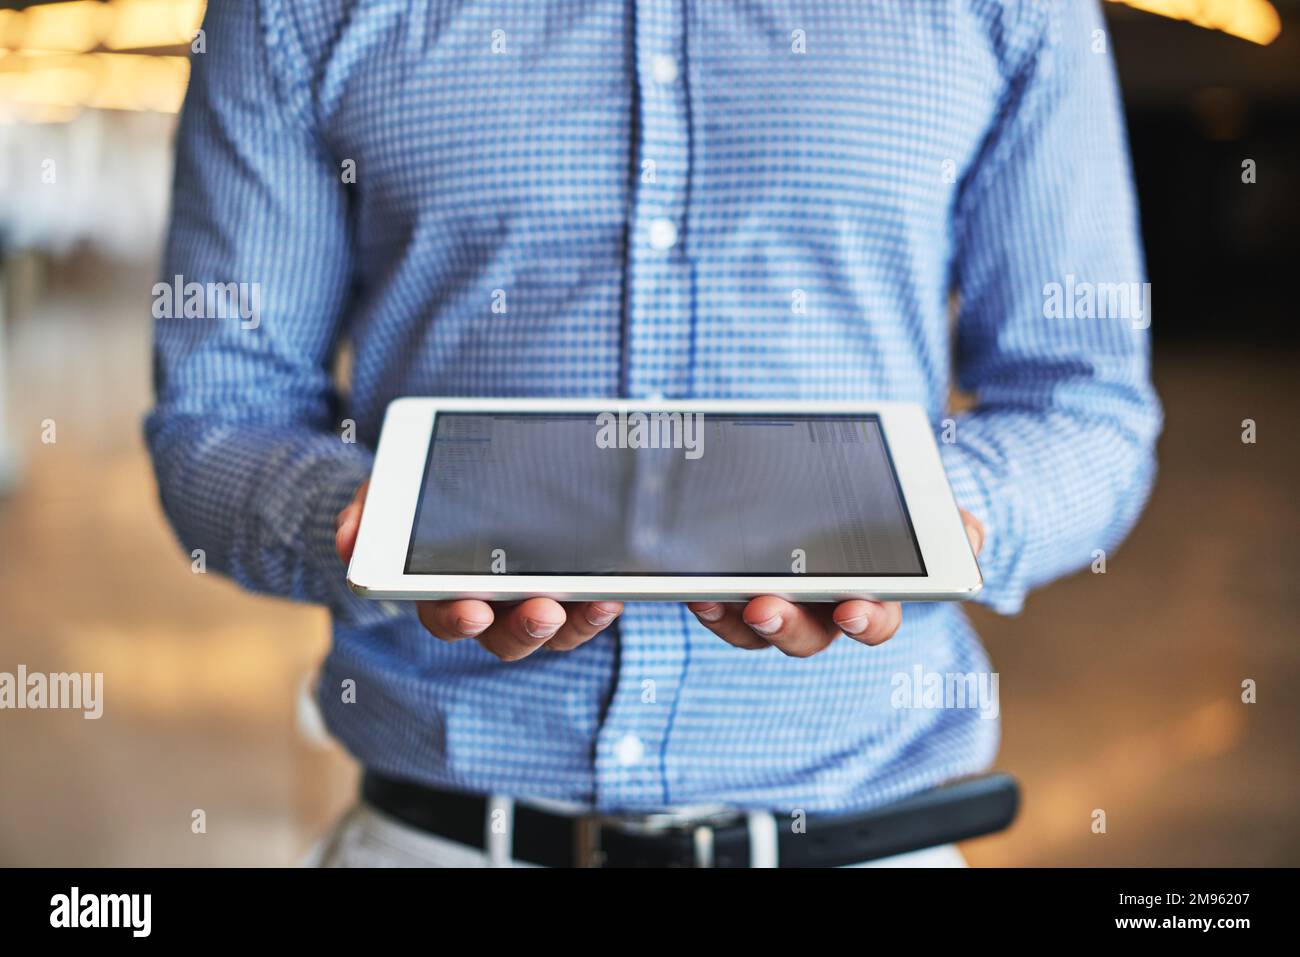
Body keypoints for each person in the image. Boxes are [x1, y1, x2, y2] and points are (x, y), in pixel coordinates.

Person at [147, 0, 1160, 867]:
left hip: (863, 834)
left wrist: (937, 518)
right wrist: (379, 528)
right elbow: (218, 412)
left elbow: (1084, 405)